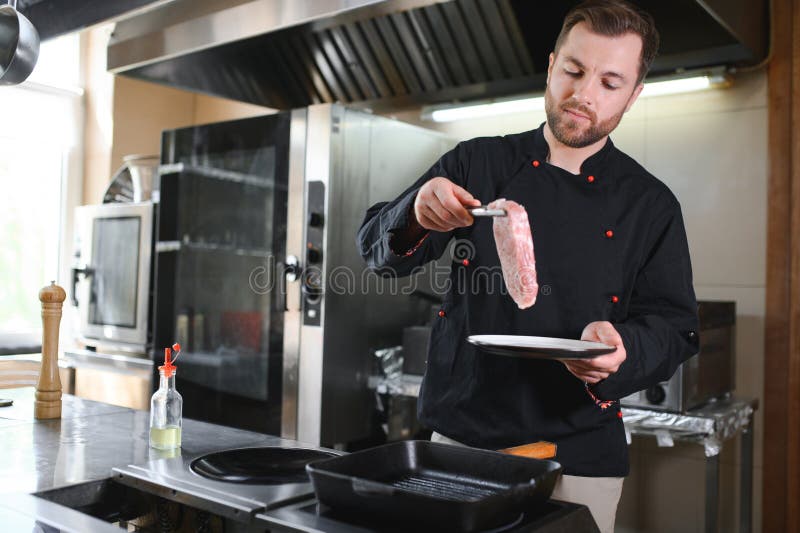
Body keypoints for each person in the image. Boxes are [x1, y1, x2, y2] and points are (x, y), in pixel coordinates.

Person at [356, 1, 698, 531]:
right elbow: (377, 252)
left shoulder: (650, 205)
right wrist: (415, 214)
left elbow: (675, 328)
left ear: (633, 95)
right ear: (551, 65)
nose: (584, 94)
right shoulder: (477, 162)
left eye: (610, 82)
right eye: (574, 70)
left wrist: (623, 350)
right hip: (460, 444)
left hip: (578, 459)